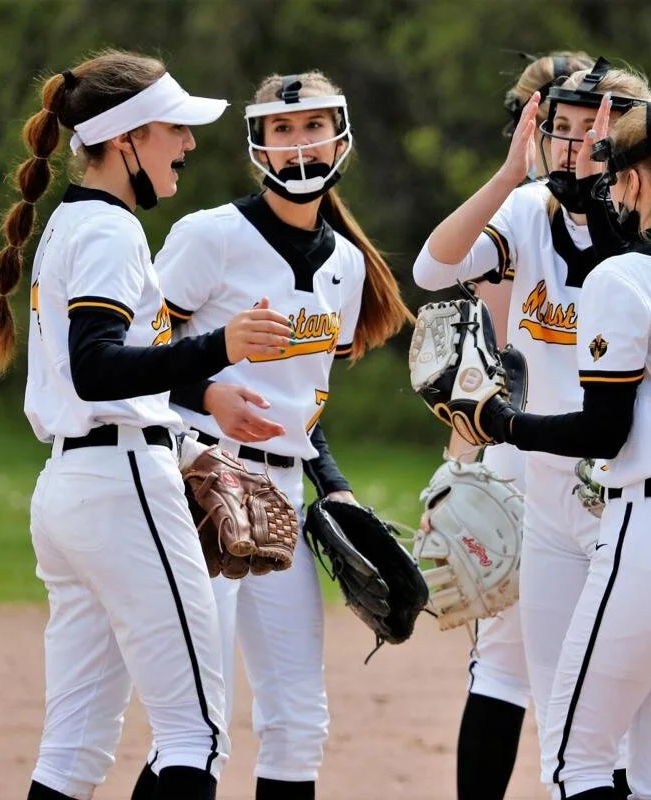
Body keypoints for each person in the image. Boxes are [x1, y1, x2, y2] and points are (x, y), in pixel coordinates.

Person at [0, 50, 293, 800]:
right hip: (122, 485)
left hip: (72, 489)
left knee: (72, 754)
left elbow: (109, 361)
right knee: (195, 734)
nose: (186, 143)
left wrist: (205, 388)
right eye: (172, 129)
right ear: (126, 140)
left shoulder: (72, 225)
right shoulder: (111, 232)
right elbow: (97, 365)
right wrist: (220, 345)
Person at [129, 70, 412, 800]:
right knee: (199, 724)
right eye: (282, 130)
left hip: (282, 496)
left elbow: (303, 411)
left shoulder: (346, 266)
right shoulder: (209, 236)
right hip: (202, 482)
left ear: (341, 137)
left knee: (297, 721)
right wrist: (208, 393)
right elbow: (131, 361)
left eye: (312, 125)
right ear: (258, 142)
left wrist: (338, 489)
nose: (298, 144)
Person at [471, 86, 651, 800]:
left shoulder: (621, 277)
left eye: (615, 179)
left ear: (631, 181)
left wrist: (501, 423)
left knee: (577, 762)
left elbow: (603, 430)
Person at [414, 57, 651, 798]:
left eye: (597, 131)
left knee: (607, 691)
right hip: (537, 479)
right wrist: (506, 176)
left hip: (627, 489)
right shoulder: (528, 213)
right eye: (564, 129)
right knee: (515, 670)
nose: (576, 145)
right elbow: (430, 268)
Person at [439, 50, 594, 800]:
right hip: (535, 451)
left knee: (506, 662)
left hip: (531, 448)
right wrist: (468, 454)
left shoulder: (533, 214)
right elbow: (503, 357)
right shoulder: (521, 216)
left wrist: (466, 451)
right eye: (553, 122)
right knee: (534, 661)